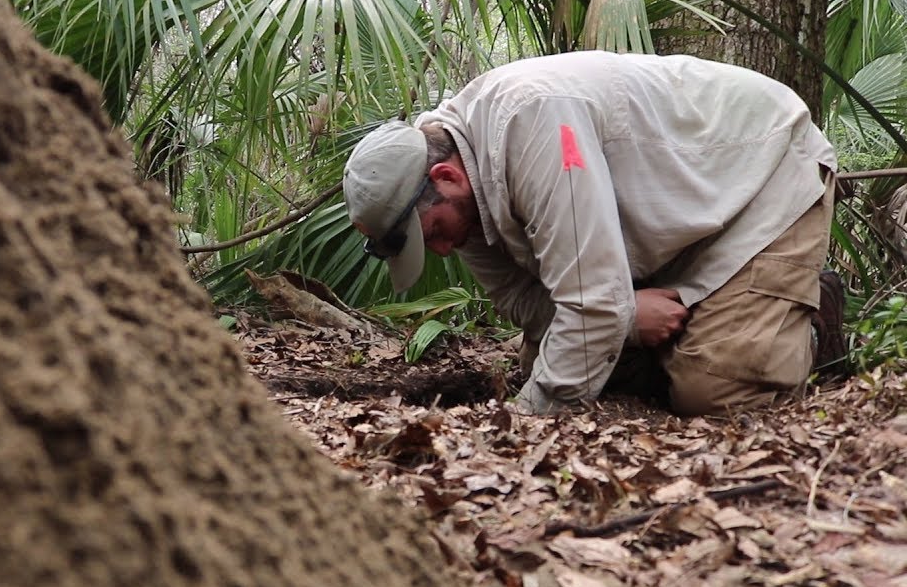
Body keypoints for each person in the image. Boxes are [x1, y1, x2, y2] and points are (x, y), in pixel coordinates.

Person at [342, 51, 846, 416]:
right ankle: (713, 332)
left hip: (760, 179)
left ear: (444, 178)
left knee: (714, 395)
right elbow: (523, 299)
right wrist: (628, 319)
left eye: (434, 232)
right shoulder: (461, 182)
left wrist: (524, 424)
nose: (444, 249)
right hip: (674, 225)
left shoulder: (530, 123)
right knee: (547, 355)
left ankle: (813, 324)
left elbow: (593, 308)